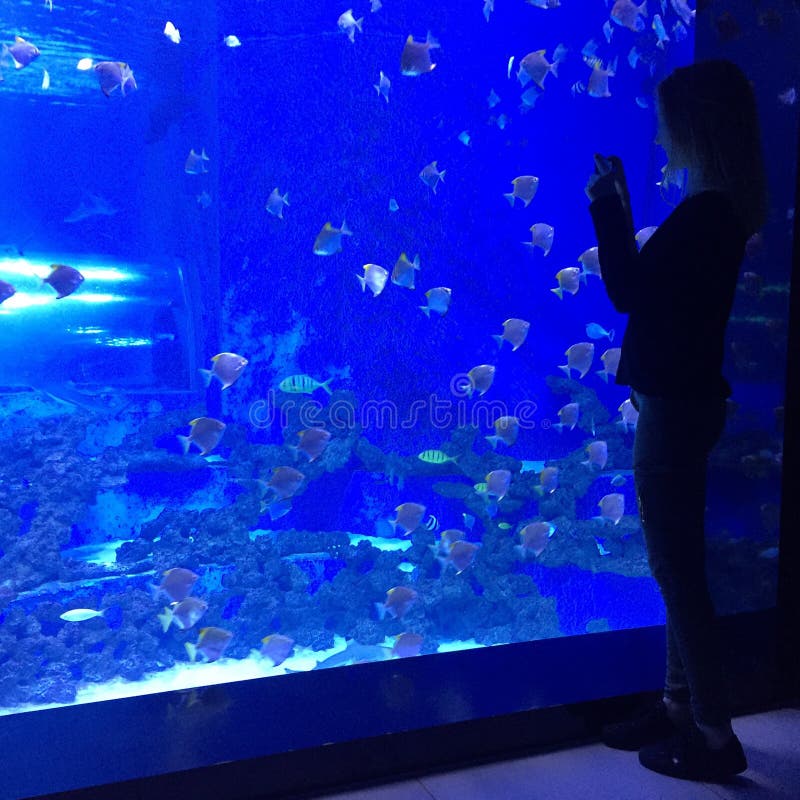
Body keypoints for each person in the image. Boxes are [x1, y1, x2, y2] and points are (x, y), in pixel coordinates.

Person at [585, 59, 767, 782]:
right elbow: (667, 305)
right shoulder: (724, 210)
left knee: (676, 571)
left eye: (666, 120)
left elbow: (628, 290)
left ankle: (715, 735)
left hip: (675, 412)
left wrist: (607, 205)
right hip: (687, 403)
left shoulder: (703, 214)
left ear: (693, 126)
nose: (659, 135)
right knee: (676, 568)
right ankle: (676, 704)